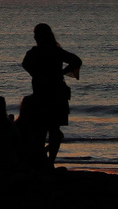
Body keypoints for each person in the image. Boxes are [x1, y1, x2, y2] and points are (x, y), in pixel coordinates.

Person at [22, 23, 82, 166]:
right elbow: (77, 61)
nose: (35, 37)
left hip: (44, 93)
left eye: (36, 34)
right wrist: (59, 73)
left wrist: (37, 74)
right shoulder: (56, 51)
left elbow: (26, 65)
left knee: (42, 128)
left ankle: (44, 159)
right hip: (55, 92)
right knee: (53, 129)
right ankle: (49, 160)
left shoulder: (35, 53)